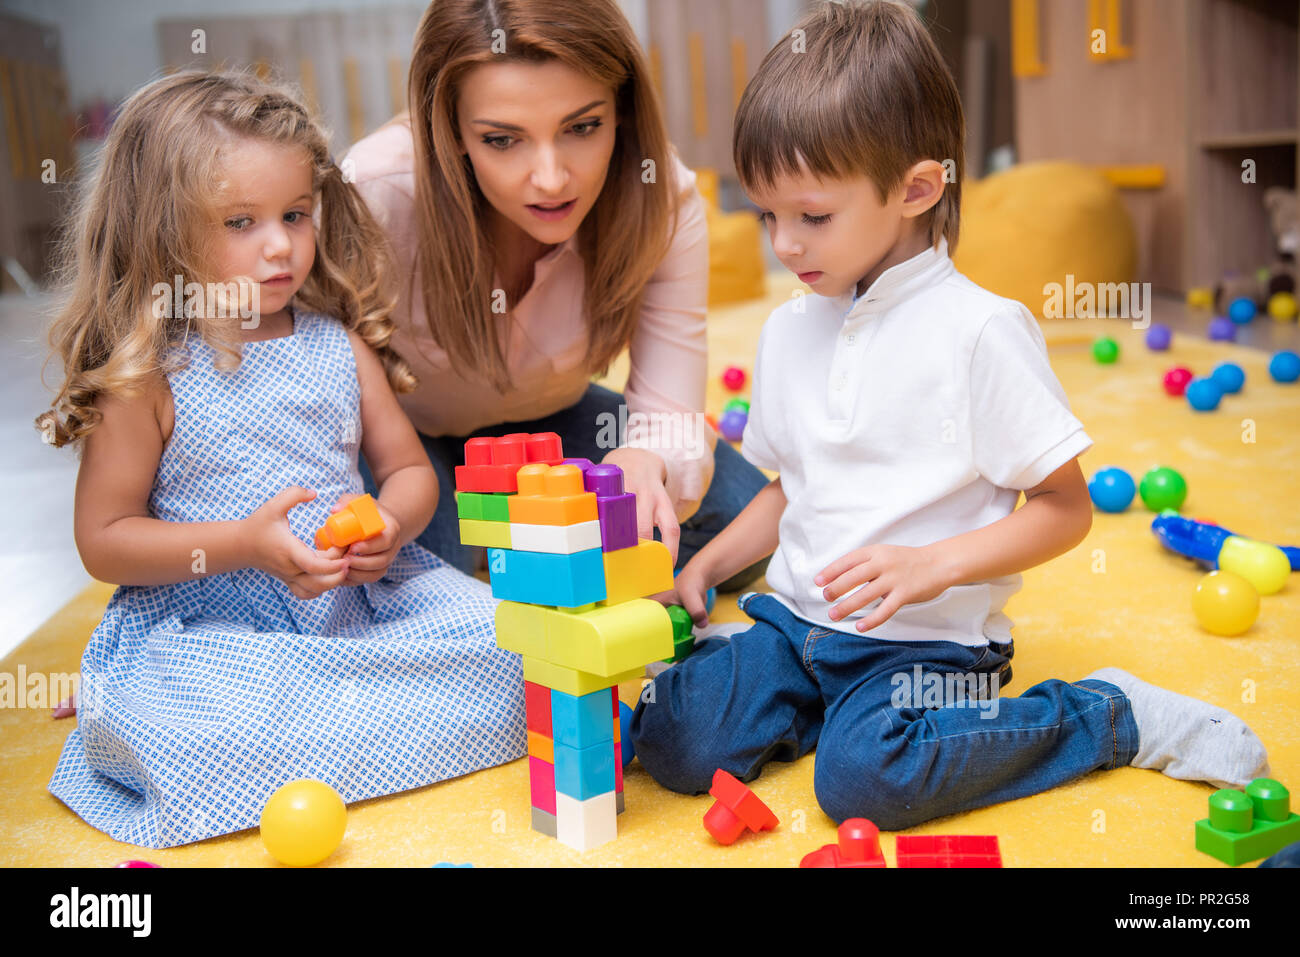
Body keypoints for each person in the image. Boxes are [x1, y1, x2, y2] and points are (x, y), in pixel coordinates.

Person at [630, 0, 1270, 830]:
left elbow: (1064, 510)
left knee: (866, 780)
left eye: (812, 216)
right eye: (768, 215)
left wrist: (932, 565)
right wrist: (710, 564)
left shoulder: (981, 331)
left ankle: (1105, 714)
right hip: (797, 624)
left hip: (929, 646)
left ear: (917, 189)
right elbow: (792, 489)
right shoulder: (790, 326)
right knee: (671, 739)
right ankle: (804, 702)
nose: (784, 245)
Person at [38, 71, 520, 848]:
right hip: (212, 630)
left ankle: (333, 730)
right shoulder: (150, 373)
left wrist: (390, 529)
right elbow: (104, 538)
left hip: (357, 609)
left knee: (517, 648)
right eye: (240, 221)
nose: (280, 245)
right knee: (197, 737)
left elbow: (410, 474)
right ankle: (322, 727)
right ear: (160, 230)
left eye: (296, 214)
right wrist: (242, 545)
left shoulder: (338, 345)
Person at [344, 0, 769, 587]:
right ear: (451, 129)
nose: (550, 179)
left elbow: (668, 413)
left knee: (748, 530)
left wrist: (646, 459)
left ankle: (510, 541)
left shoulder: (661, 196)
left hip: (549, 424)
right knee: (414, 595)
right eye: (502, 139)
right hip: (402, 442)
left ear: (621, 109)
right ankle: (497, 543)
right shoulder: (373, 193)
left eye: (582, 127)